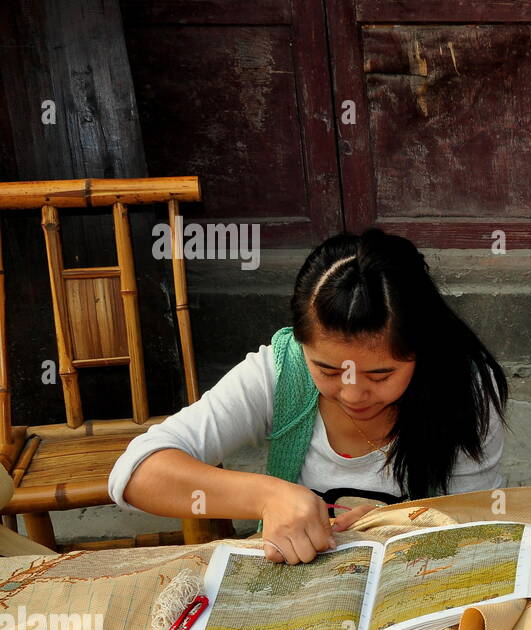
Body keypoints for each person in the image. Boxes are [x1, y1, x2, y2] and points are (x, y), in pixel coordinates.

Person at [109, 228, 508, 564]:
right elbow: (135, 474)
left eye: (381, 374)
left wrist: (405, 520)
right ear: (302, 346)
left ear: (422, 351)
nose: (352, 393)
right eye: (328, 370)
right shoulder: (281, 373)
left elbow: (476, 522)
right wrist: (267, 496)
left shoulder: (466, 388)